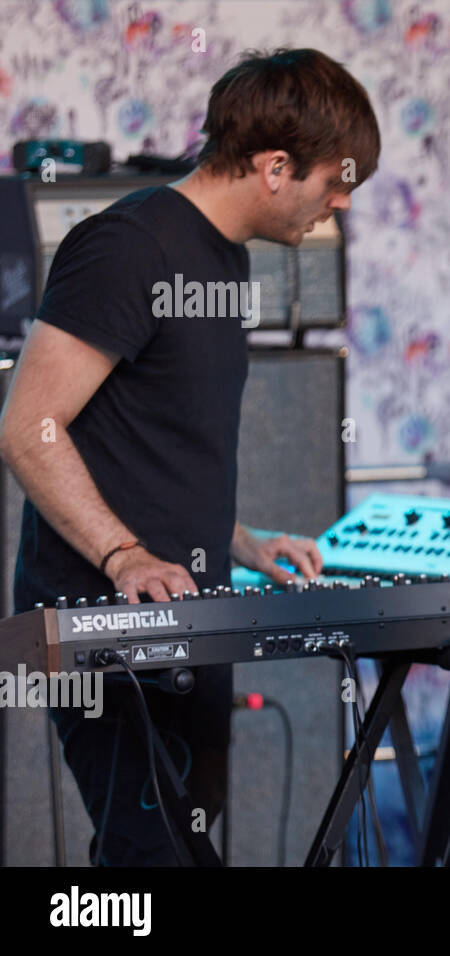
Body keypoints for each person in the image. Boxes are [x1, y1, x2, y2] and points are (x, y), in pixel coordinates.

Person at [0, 48, 380, 865]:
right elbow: (29, 427)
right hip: (103, 611)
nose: (342, 204)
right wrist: (123, 554)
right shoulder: (127, 246)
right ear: (275, 167)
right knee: (156, 854)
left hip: (190, 608)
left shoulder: (225, 258)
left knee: (178, 845)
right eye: (335, 182)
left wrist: (243, 542)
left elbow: (154, 449)